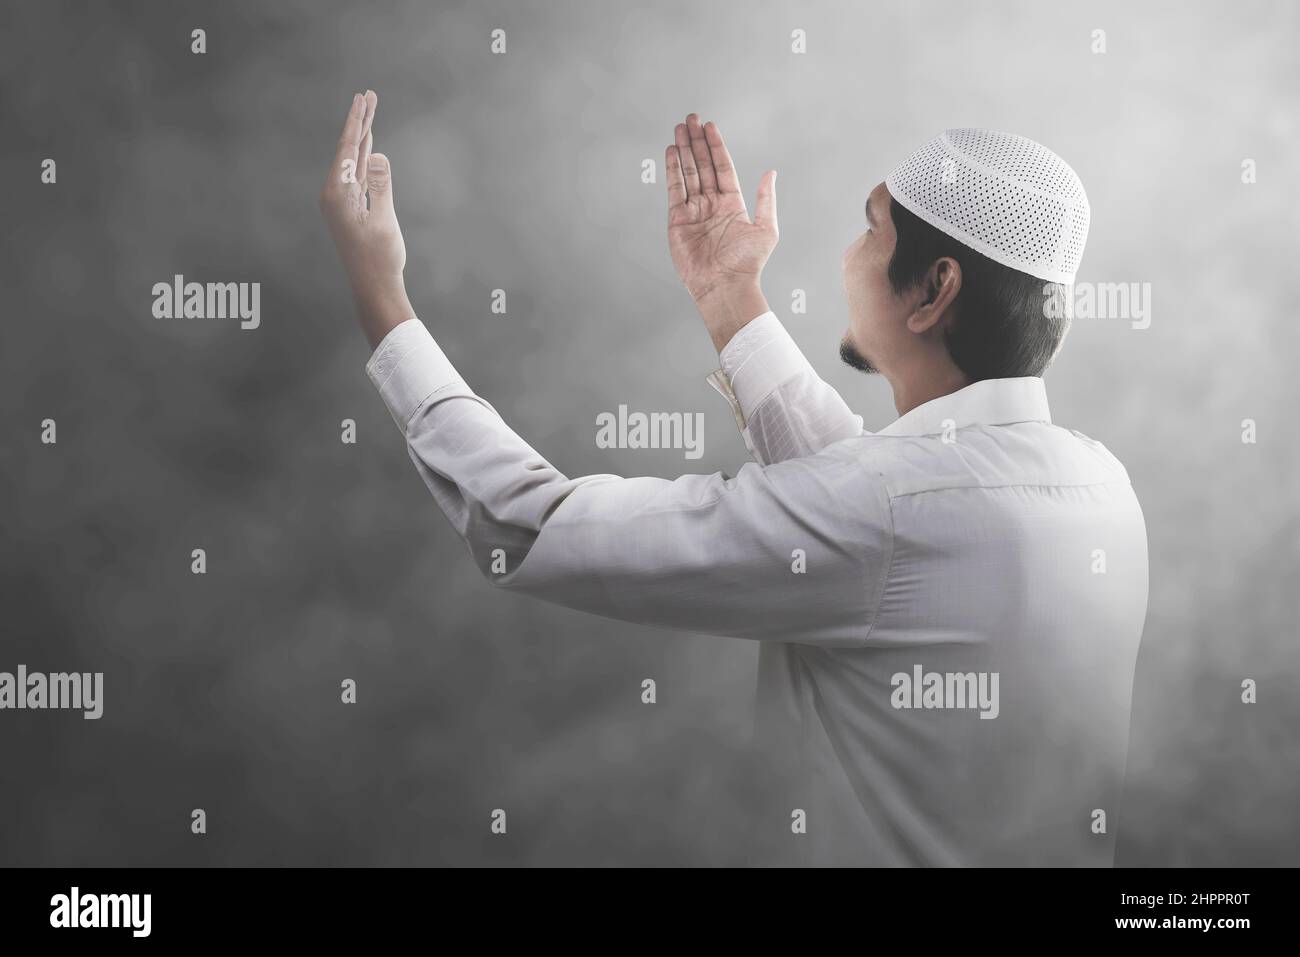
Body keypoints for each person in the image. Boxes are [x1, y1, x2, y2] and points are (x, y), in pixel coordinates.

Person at [320, 91, 1149, 866]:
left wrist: (379, 294)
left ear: (934, 290)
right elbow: (860, 500)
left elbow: (523, 524)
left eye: (871, 232)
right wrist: (728, 294)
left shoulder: (892, 512)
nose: (848, 256)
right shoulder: (1102, 488)